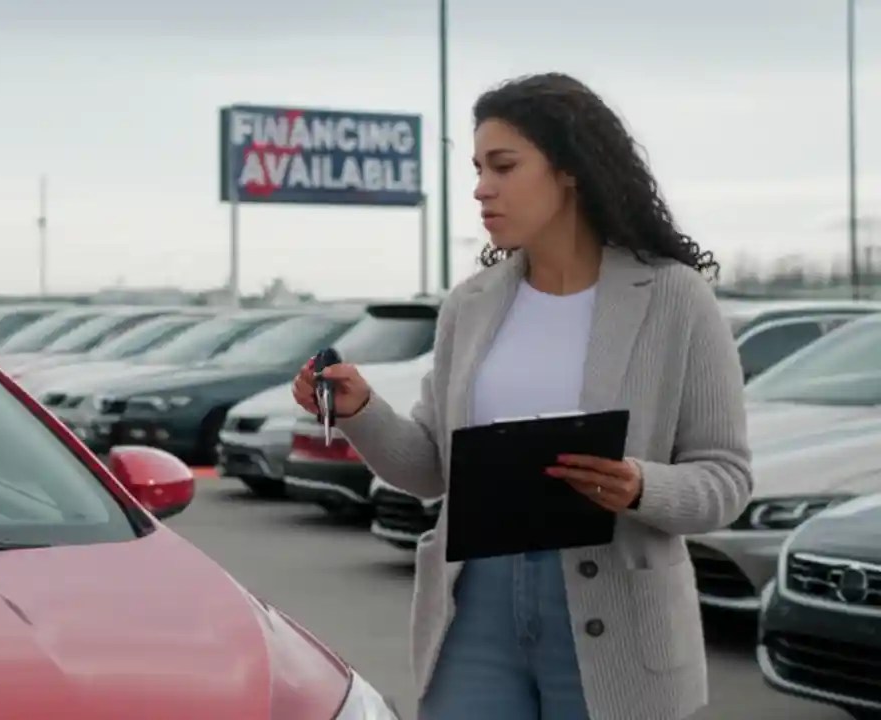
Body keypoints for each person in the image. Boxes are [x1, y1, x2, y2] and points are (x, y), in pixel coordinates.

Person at [292, 72, 752, 720]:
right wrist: (362, 409)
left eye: (503, 166)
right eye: (479, 168)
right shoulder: (471, 306)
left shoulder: (675, 299)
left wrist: (639, 486)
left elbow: (726, 480)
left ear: (569, 169)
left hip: (619, 617)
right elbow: (429, 469)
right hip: (474, 610)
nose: (481, 188)